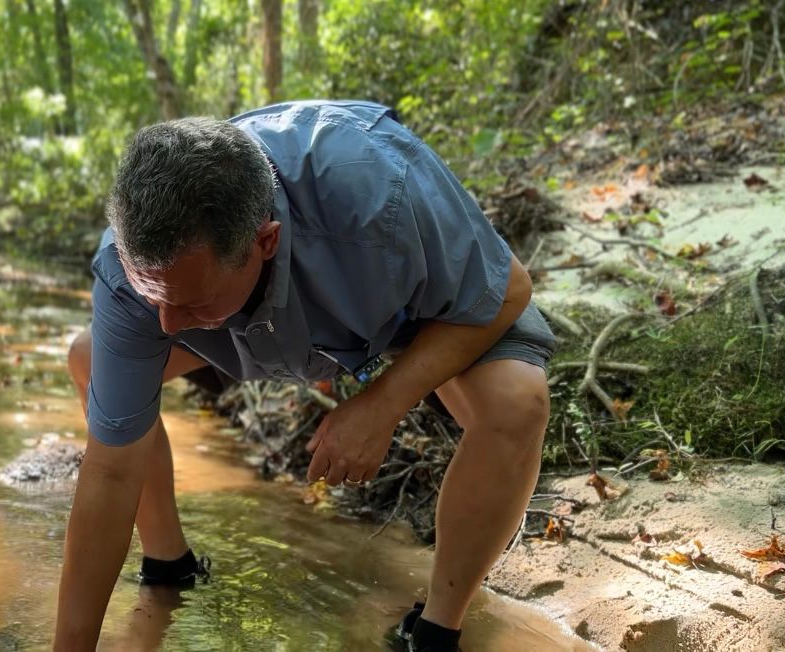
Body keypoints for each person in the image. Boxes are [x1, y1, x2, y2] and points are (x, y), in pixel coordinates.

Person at [54, 100, 556, 651]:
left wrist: (383, 402)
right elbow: (110, 474)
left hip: (400, 318)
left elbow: (508, 290)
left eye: (190, 302)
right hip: (249, 329)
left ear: (265, 241)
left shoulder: (381, 192)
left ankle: (436, 628)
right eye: (153, 297)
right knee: (91, 359)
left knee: (517, 402)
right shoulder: (132, 264)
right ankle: (169, 563)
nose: (167, 324)